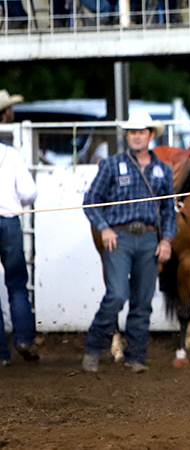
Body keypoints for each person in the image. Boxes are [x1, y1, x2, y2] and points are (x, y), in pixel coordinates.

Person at [82, 110, 177, 374]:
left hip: (149, 238)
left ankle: (136, 356)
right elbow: (91, 202)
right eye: (132, 132)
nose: (137, 136)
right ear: (127, 135)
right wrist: (104, 229)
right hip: (119, 237)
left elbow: (169, 210)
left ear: (150, 135)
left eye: (141, 132)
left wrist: (167, 240)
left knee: (143, 300)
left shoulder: (163, 171)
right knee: (117, 295)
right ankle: (93, 345)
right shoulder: (111, 165)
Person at [0, 89, 39, 366]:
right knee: (16, 284)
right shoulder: (10, 155)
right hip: (9, 221)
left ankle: (1, 354)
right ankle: (24, 338)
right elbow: (29, 192)